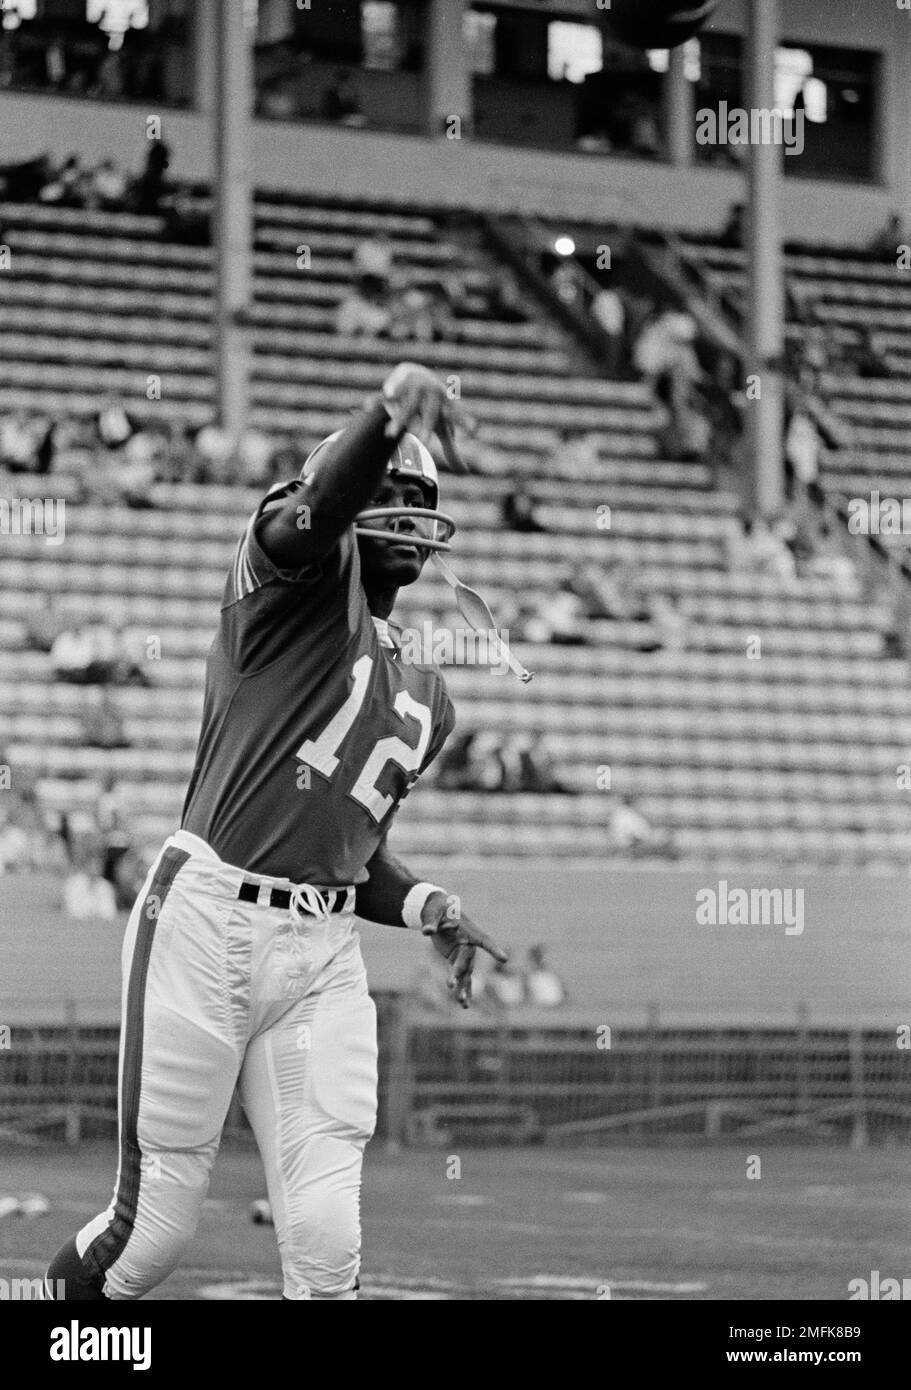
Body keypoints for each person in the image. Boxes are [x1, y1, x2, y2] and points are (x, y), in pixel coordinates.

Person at [45, 362, 508, 1303]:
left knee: (328, 1241)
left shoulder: (428, 694)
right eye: (387, 493)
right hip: (209, 916)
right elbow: (315, 514)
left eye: (420, 499)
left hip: (323, 947)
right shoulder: (296, 579)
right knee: (150, 1235)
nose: (407, 513)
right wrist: (383, 418)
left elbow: (346, 843)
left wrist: (428, 905)